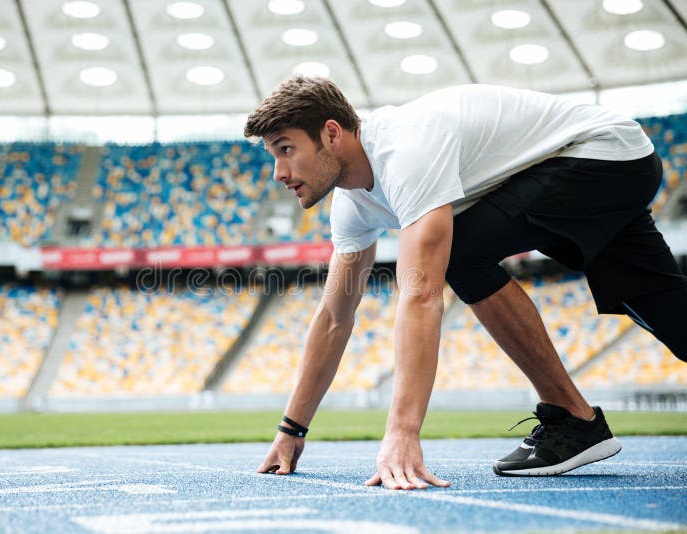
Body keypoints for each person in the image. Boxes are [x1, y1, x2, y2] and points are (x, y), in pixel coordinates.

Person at [243, 75, 687, 490]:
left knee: (458, 254)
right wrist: (291, 430)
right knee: (670, 314)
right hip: (609, 164)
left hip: (601, 154)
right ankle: (578, 420)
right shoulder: (351, 205)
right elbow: (334, 317)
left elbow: (421, 293)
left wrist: (402, 433)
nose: (278, 172)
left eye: (286, 149)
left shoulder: (404, 151)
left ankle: (573, 417)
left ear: (332, 134)